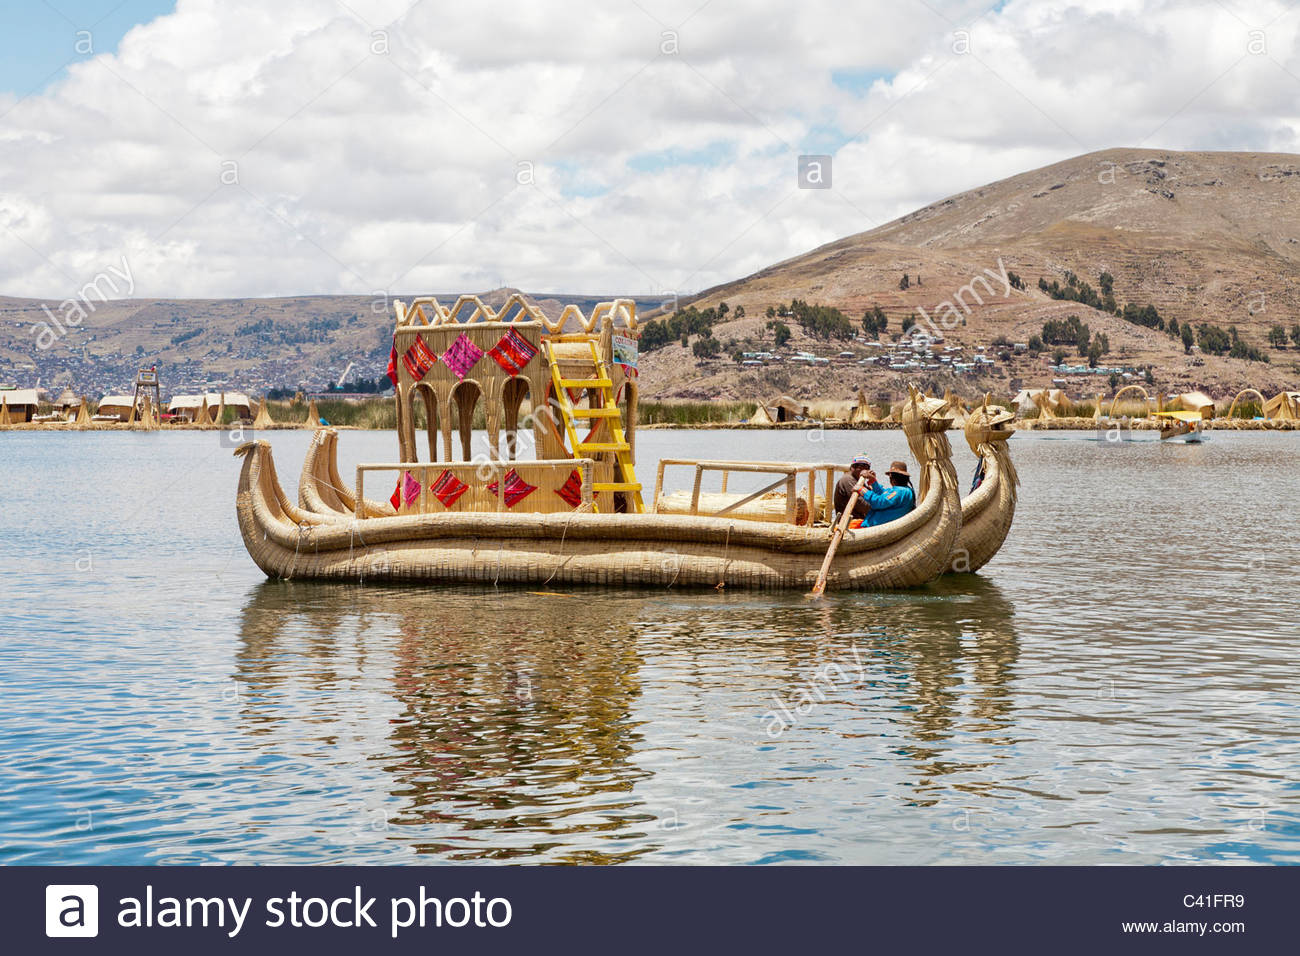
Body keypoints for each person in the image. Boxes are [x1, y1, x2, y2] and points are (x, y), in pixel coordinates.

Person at [859, 460, 916, 527]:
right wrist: (873, 481)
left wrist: (863, 490)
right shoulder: (903, 490)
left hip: (880, 528)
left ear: (893, 479)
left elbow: (879, 502)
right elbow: (884, 494)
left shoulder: (900, 491)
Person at [833, 455, 871, 525]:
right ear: (852, 468)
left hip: (859, 520)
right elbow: (863, 505)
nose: (862, 470)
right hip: (849, 523)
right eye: (858, 467)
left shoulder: (859, 480)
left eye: (865, 468)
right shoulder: (848, 480)